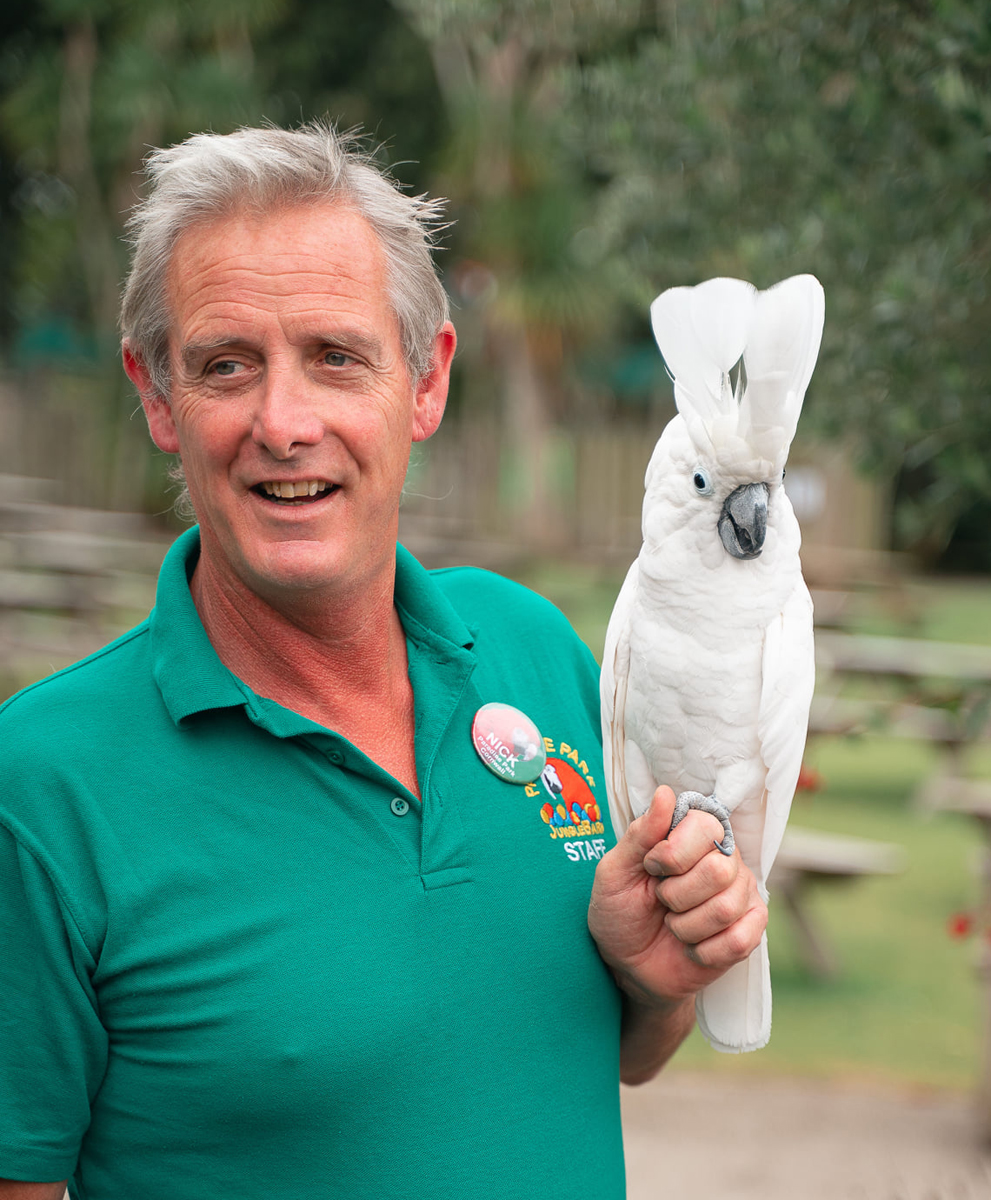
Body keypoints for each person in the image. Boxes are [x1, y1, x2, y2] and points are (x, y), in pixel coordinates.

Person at [0, 122, 766, 1200]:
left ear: (425, 381)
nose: (284, 421)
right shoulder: (39, 791)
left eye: (336, 358)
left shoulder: (534, 651)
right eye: (226, 366)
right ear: (157, 396)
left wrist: (654, 985)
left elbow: (616, 1054)